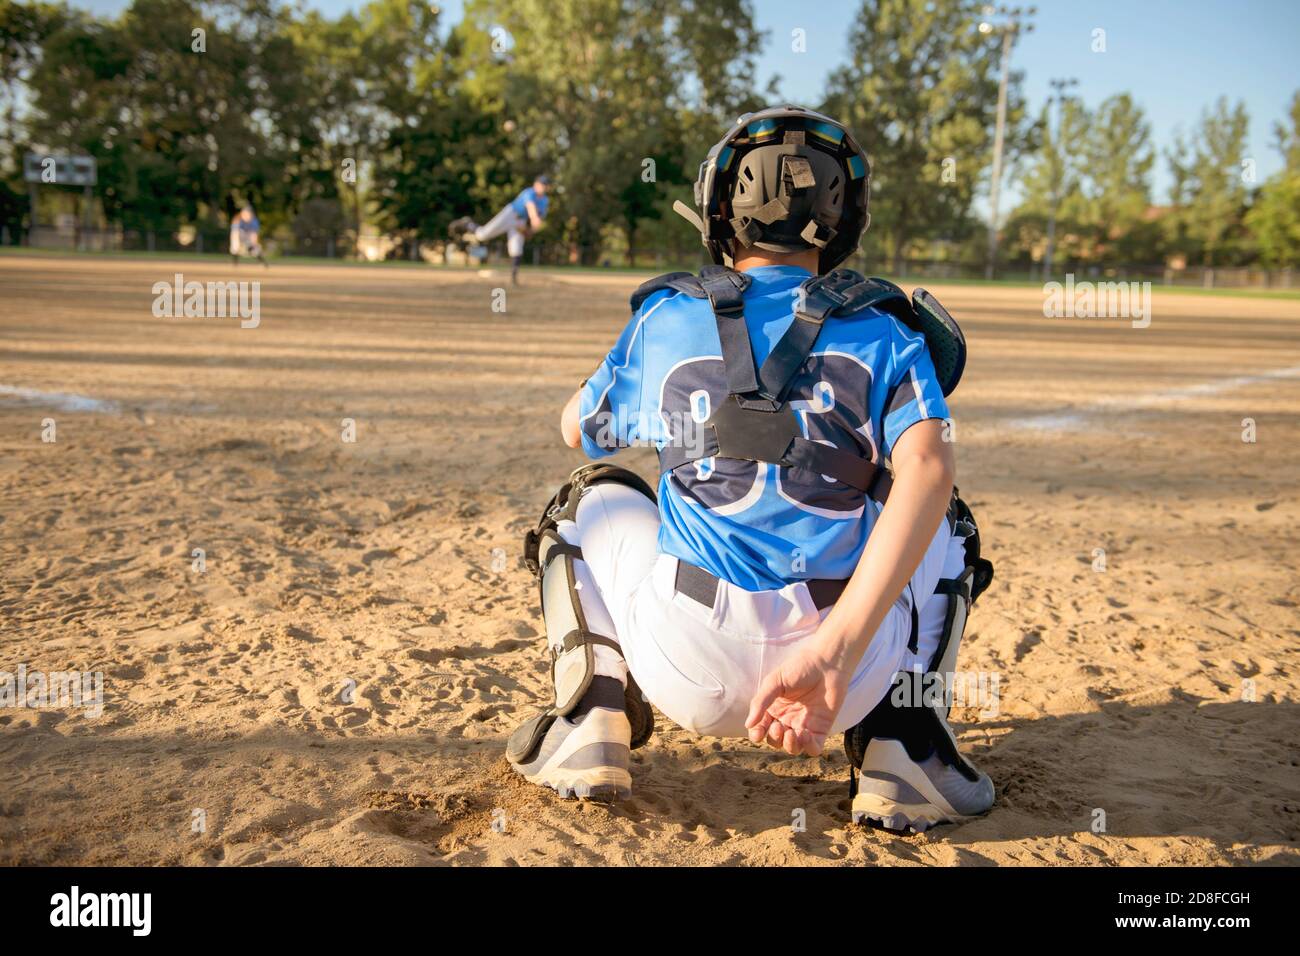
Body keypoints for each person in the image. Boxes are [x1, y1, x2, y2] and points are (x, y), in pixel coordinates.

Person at [505, 106, 996, 833]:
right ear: (843, 218)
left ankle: (589, 722)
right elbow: (928, 470)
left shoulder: (665, 314)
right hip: (847, 669)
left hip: (687, 663)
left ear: (717, 208)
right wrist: (833, 654)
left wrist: (648, 366)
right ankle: (905, 750)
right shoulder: (888, 328)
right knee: (941, 514)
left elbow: (582, 430)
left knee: (587, 498)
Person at [449, 174, 550, 285]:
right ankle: (468, 223)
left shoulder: (545, 200)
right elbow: (531, 207)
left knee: (516, 248)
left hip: (521, 222)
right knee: (482, 235)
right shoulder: (529, 192)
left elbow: (538, 221)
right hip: (510, 214)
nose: (542, 187)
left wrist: (531, 230)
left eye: (545, 185)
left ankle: (513, 278)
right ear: (536, 184)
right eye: (541, 184)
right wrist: (534, 218)